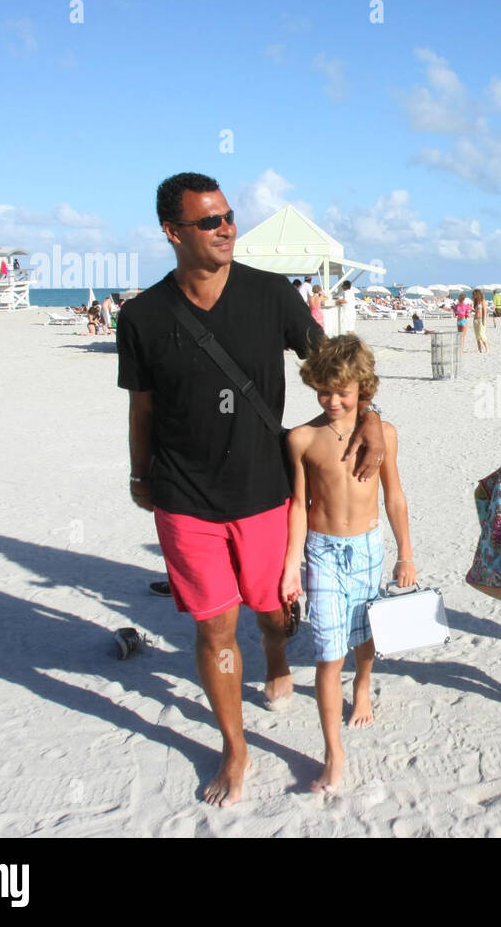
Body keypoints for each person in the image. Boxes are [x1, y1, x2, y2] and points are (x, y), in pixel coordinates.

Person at [116, 172, 386, 808]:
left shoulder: (271, 295)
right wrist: (140, 474)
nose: (226, 228)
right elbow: (141, 409)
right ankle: (235, 749)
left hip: (266, 490)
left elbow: (336, 366)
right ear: (173, 232)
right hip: (184, 497)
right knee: (215, 630)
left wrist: (370, 416)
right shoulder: (142, 317)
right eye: (209, 221)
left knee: (272, 612)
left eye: (229, 216)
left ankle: (276, 653)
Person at [280, 335, 415, 792]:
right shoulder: (302, 438)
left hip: (367, 547)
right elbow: (299, 506)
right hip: (321, 552)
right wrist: (290, 566)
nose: (333, 401)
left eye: (343, 392)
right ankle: (333, 753)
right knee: (327, 652)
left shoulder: (384, 433)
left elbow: (394, 496)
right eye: (324, 391)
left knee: (365, 632)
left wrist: (405, 553)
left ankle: (362, 685)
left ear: (363, 389)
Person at [471, 288, 490, 353]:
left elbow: (484, 310)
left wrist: (484, 320)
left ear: (477, 294)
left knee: (482, 335)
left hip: (481, 319)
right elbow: (476, 311)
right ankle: (480, 349)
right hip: (475, 319)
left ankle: (487, 349)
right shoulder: (475, 301)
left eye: (474, 294)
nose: (473, 295)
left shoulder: (482, 300)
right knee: (477, 336)